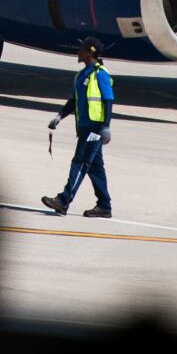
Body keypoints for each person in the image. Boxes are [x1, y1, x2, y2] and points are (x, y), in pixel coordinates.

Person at [41, 36, 114, 218]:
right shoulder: (82, 75)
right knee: (95, 167)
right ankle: (104, 206)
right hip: (84, 126)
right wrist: (59, 116)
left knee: (80, 162)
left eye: (81, 49)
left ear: (90, 52)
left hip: (94, 128)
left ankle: (64, 200)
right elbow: (74, 101)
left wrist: (105, 127)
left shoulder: (100, 74)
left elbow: (108, 101)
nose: (78, 52)